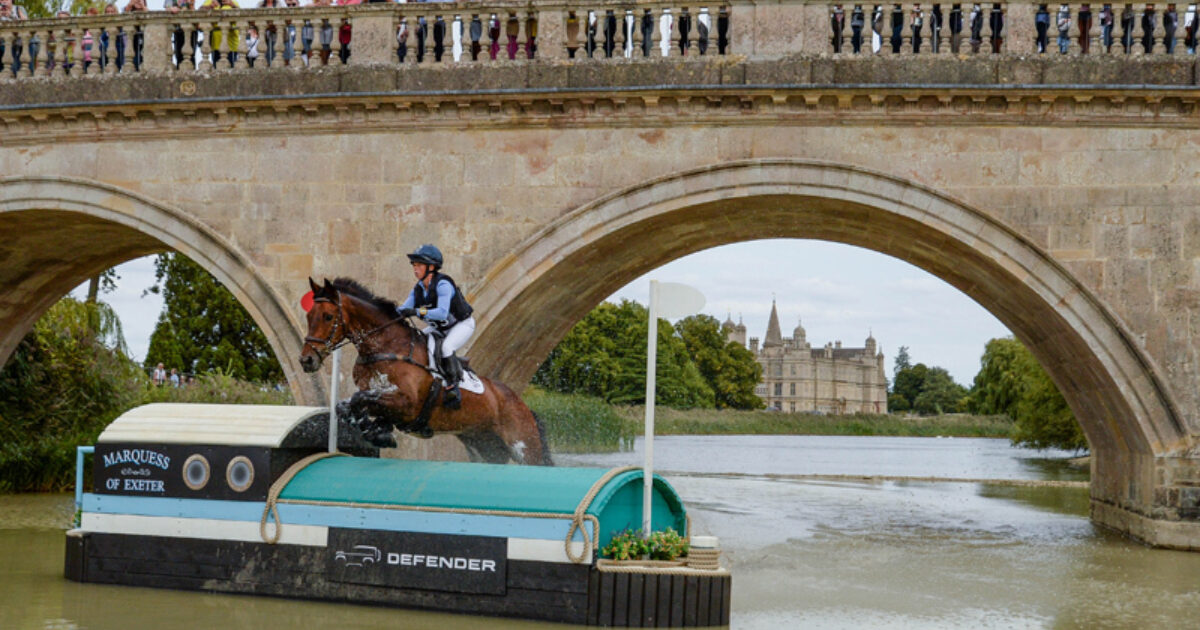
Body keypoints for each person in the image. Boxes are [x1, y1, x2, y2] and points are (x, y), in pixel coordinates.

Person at [395, 244, 475, 409]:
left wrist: (417, 311)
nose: (415, 269)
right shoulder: (418, 289)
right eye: (414, 265)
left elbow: (441, 313)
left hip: (460, 325)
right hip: (440, 328)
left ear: (431, 267)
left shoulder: (443, 284)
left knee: (446, 347)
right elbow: (402, 309)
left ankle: (454, 386)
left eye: (419, 265)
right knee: (417, 341)